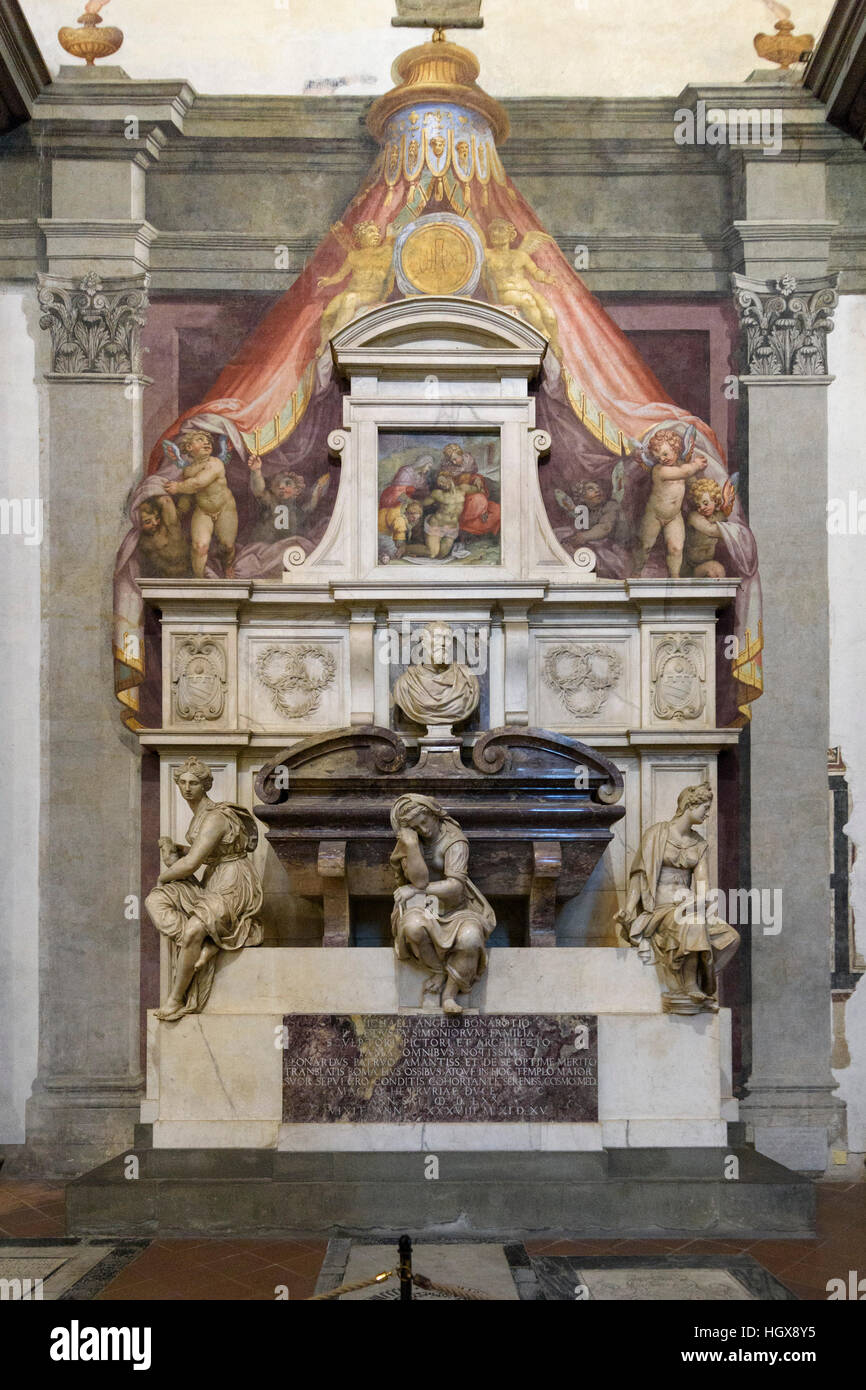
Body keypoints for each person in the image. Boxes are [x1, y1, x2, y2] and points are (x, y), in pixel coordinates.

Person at [145, 756, 263, 1021]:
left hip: (234, 882)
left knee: (192, 927)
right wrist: (179, 849)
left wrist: (164, 876)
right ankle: (205, 943)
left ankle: (176, 999)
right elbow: (206, 852)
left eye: (194, 783)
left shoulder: (215, 817)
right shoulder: (200, 814)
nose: (187, 788)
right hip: (214, 878)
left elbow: (192, 864)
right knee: (155, 900)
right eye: (183, 783)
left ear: (205, 786)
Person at [614, 782, 739, 1014]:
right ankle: (689, 984)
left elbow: (703, 885)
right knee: (691, 922)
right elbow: (640, 875)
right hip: (658, 911)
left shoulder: (700, 845)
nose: (707, 813)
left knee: (730, 938)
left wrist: (698, 902)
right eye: (705, 807)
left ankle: (702, 975)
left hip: (687, 906)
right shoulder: (656, 834)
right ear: (690, 805)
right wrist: (629, 909)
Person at [389, 793, 496, 1014]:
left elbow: (455, 887)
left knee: (470, 938)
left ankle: (449, 994)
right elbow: (420, 880)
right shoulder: (411, 841)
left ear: (433, 813)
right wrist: (412, 845)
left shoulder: (455, 841)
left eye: (424, 821)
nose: (424, 830)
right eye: (415, 827)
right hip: (425, 906)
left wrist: (414, 890)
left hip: (457, 909)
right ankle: (437, 971)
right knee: (413, 928)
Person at [632, 427, 710, 578]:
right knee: (645, 546)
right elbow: (683, 472)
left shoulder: (682, 465)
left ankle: (674, 577)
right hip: (654, 515)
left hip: (674, 516)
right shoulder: (659, 470)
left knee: (676, 548)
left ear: (675, 448)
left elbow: (692, 483)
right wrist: (696, 465)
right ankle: (636, 572)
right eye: (658, 457)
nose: (663, 459)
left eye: (665, 454)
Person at [163, 429, 239, 578]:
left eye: (208, 441)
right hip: (203, 511)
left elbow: (198, 483)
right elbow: (189, 496)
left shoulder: (215, 463)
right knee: (199, 547)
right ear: (189, 447)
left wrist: (177, 487)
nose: (206, 442)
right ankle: (199, 579)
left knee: (228, 546)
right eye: (200, 439)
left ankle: (228, 566)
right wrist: (180, 511)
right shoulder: (187, 470)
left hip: (225, 509)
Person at [247, 454, 330, 544]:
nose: (282, 487)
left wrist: (316, 495)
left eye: (288, 484)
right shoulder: (271, 500)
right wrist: (256, 471)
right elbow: (259, 491)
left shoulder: (296, 509)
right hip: (267, 543)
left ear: (296, 490)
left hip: (288, 544)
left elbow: (308, 508)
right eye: (278, 485)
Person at [683, 476, 736, 578]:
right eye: (698, 506)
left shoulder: (719, 516)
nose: (702, 508)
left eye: (705, 503)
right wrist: (734, 531)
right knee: (713, 572)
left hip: (709, 561)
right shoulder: (694, 517)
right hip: (690, 566)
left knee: (718, 572)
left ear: (715, 500)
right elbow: (711, 530)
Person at [136, 494, 191, 577]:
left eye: (157, 518)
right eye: (148, 522)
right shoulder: (145, 543)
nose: (155, 523)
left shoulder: (170, 525)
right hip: (165, 579)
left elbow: (180, 504)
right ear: (138, 524)